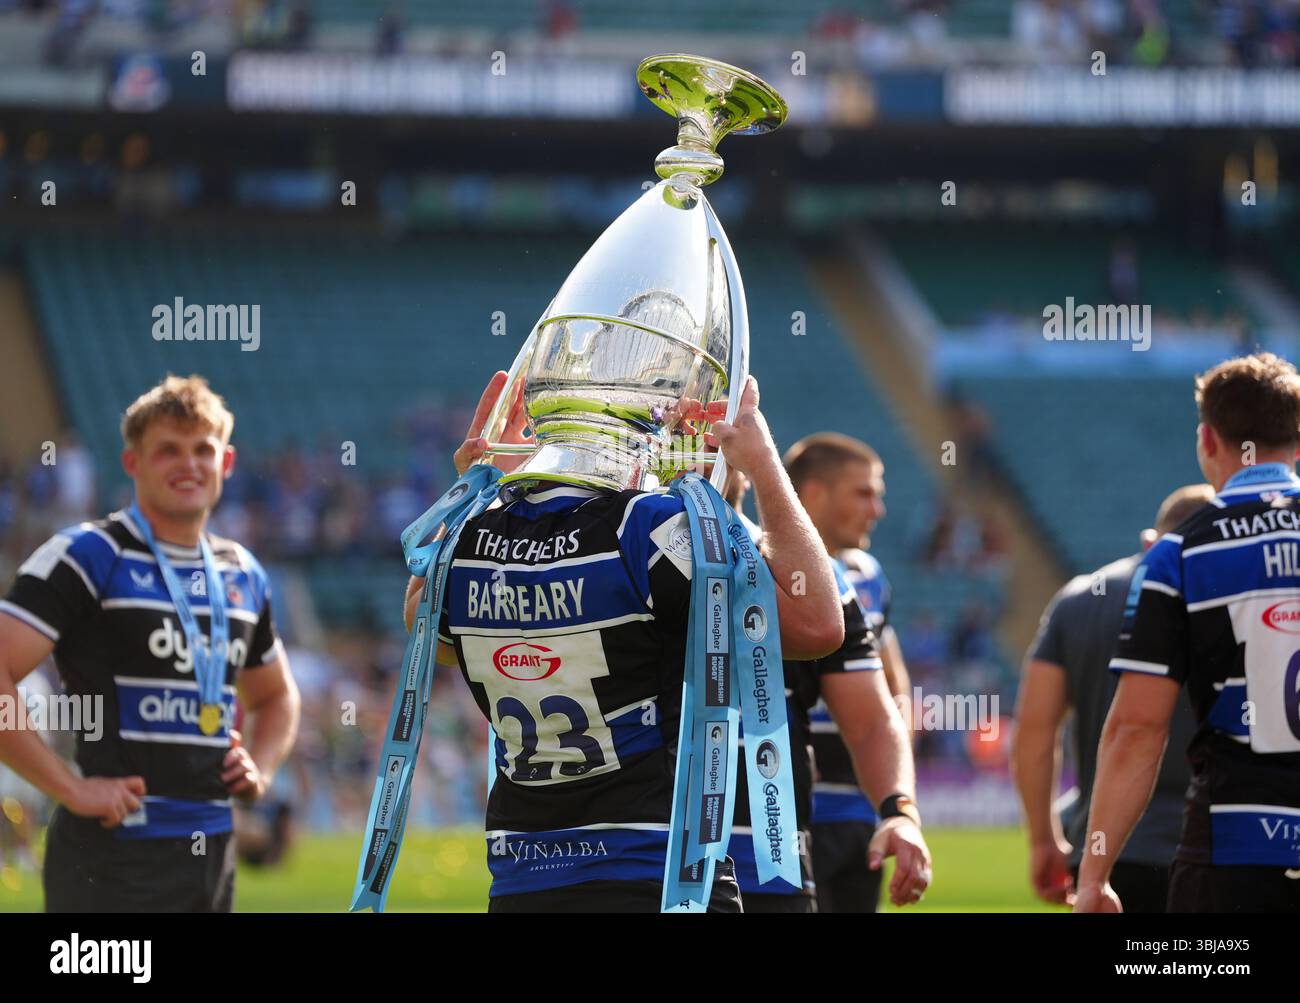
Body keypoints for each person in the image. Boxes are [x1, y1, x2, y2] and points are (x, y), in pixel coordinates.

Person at [406, 372, 846, 911]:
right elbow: (817, 625)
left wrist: (477, 488)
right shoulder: (644, 526)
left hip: (525, 880)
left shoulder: (477, 540)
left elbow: (426, 627)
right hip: (653, 874)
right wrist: (763, 463)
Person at [0, 375, 300, 911]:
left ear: (225, 463)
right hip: (107, 858)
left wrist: (262, 766)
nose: (188, 464)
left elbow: (277, 696)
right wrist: (68, 787)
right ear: (132, 462)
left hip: (210, 857)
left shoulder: (242, 573)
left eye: (202, 450)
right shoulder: (86, 555)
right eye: (168, 450)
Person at [1077, 353, 1300, 913]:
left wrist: (1093, 876)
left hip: (1235, 848)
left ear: (1207, 440)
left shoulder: (1181, 554)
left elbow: (1137, 728)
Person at [723, 434, 931, 913]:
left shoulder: (850, 580)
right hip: (646, 857)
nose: (877, 509)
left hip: (778, 851)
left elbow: (881, 711)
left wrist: (898, 808)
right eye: (864, 493)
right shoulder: (624, 550)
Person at [1014, 484, 1211, 911]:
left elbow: (1035, 729)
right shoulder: (1233, 595)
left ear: (1149, 540)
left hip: (1109, 849)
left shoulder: (1079, 598)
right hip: (1216, 850)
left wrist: (1044, 840)